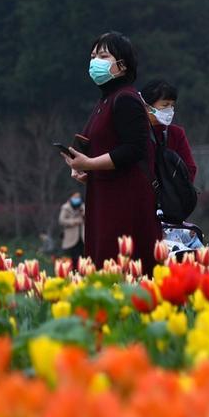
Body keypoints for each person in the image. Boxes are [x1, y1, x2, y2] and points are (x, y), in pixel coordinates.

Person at [61, 32, 161, 268]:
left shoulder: (126, 99)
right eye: (93, 55)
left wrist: (90, 164)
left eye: (104, 56)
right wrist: (86, 170)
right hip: (104, 194)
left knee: (121, 264)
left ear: (122, 65)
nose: (95, 61)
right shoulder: (105, 101)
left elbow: (134, 149)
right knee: (103, 263)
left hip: (125, 199)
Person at [140, 79, 198, 181]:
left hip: (169, 195)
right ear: (147, 106)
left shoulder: (176, 133)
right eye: (165, 105)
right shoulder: (135, 132)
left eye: (172, 106)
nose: (170, 110)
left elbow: (190, 170)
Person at [58, 192, 85, 264]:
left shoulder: (83, 207)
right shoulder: (66, 207)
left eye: (78, 197)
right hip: (71, 238)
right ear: (70, 197)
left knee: (83, 258)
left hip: (82, 236)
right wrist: (74, 221)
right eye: (75, 197)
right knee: (74, 258)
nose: (77, 199)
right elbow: (62, 220)